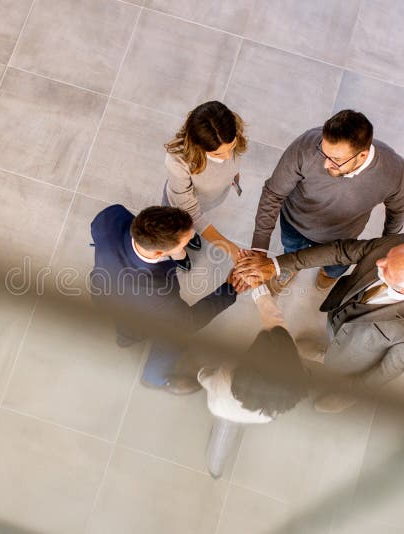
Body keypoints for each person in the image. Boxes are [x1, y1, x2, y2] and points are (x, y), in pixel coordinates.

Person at [234, 234, 404, 413]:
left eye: (388, 269)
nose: (380, 262)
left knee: (340, 375)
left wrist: (348, 395)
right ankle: (326, 352)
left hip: (352, 361)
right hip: (338, 319)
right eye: (387, 256)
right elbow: (341, 251)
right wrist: (277, 265)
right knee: (332, 339)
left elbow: (383, 373)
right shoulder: (398, 243)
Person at [250, 109, 404, 291]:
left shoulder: (396, 173)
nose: (326, 164)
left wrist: (387, 248)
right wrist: (259, 249)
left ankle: (329, 274)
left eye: (335, 159)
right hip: (294, 223)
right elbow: (274, 193)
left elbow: (396, 214)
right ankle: (290, 267)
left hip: (341, 239)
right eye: (323, 152)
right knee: (292, 252)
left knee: (335, 268)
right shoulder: (306, 145)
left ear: (362, 156)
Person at [90, 204, 239, 394]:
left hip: (101, 290)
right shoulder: (159, 293)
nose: (192, 240)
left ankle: (125, 337)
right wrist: (230, 287)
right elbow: (189, 320)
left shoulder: (109, 218)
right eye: (184, 243)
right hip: (131, 311)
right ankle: (154, 378)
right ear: (159, 253)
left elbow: (98, 230)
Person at [195, 282, 309, 478]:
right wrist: (258, 285)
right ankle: (216, 467)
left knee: (223, 433)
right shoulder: (288, 369)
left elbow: (208, 380)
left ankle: (215, 467)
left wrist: (201, 374)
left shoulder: (227, 378)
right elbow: (276, 323)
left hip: (225, 409)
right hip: (261, 415)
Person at [163, 101, 248, 271]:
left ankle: (192, 233)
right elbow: (191, 211)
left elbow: (231, 162)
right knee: (174, 233)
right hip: (179, 207)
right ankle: (177, 253)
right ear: (198, 146)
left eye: (231, 147)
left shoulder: (233, 132)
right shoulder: (178, 162)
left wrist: (233, 175)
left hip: (207, 199)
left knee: (193, 227)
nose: (226, 157)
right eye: (217, 154)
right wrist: (230, 248)